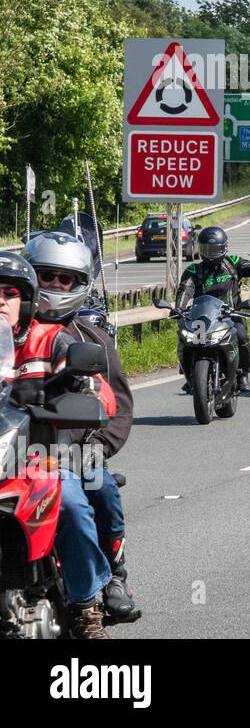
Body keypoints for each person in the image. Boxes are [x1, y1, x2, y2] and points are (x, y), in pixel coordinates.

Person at [1, 248, 117, 639]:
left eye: (9, 293)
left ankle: (86, 606)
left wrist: (83, 391)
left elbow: (100, 392)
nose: (0, 301)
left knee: (70, 502)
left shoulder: (51, 340)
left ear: (26, 300)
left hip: (39, 458)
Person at [176, 226, 250, 393]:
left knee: (241, 335)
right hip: (203, 317)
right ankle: (191, 375)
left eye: (215, 249)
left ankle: (242, 373)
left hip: (230, 314)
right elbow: (185, 289)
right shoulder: (194, 270)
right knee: (185, 338)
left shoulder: (233, 263)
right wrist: (179, 307)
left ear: (224, 248)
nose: (210, 253)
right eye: (206, 249)